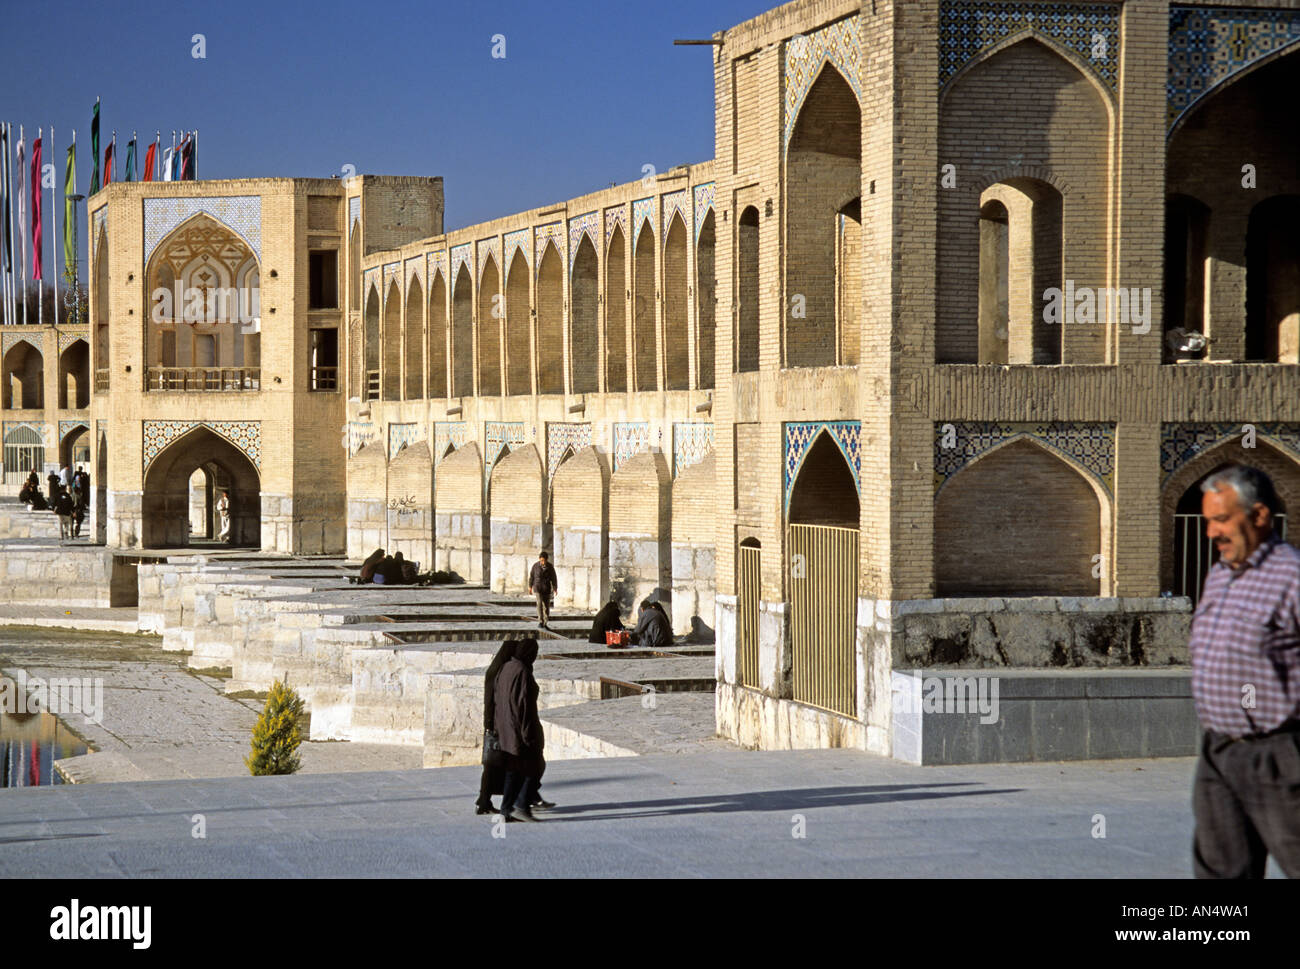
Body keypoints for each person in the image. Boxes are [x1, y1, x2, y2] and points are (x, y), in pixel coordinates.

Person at [1189, 464, 1300, 878]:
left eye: (1221, 520)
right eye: (1207, 522)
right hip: (1219, 754)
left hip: (1280, 756)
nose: (1211, 533)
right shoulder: (1219, 577)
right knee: (1221, 872)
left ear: (1259, 516)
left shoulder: (1292, 576)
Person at [493, 636, 546, 822]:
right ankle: (522, 805)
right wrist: (528, 734)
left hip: (505, 729)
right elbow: (524, 706)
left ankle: (506, 809)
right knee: (535, 766)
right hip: (518, 730)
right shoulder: (522, 672)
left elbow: (497, 699)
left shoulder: (506, 667)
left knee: (512, 770)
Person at [528, 550, 558, 629]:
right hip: (538, 588)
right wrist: (530, 586)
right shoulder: (535, 566)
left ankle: (545, 622)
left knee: (546, 607)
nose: (543, 562)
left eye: (544, 560)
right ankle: (540, 621)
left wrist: (555, 588)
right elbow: (531, 576)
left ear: (547, 560)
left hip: (546, 588)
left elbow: (554, 578)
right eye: (541, 560)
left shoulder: (550, 567)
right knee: (539, 604)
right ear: (539, 559)